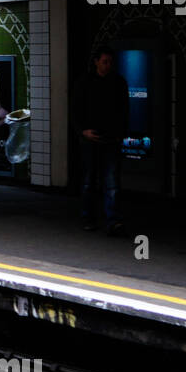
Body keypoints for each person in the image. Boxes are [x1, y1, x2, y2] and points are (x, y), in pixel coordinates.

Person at [72, 48, 128, 234]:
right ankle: (90, 217)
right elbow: (76, 110)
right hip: (91, 138)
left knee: (111, 181)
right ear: (96, 62)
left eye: (110, 62)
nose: (107, 65)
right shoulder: (85, 83)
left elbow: (124, 109)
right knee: (90, 180)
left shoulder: (118, 82)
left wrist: (121, 132)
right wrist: (82, 131)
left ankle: (112, 219)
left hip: (110, 138)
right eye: (104, 61)